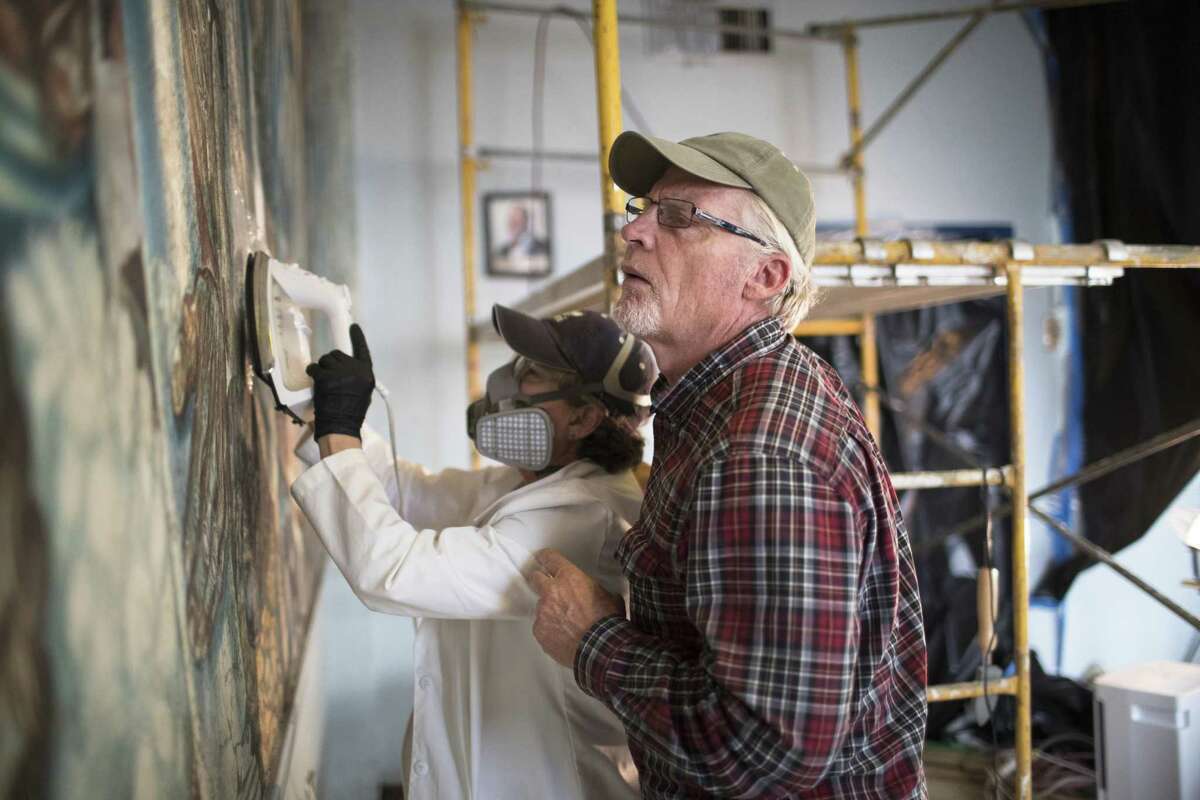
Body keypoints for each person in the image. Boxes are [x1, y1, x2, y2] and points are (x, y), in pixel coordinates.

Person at [529, 131, 929, 798]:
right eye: (644, 208)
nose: (635, 233)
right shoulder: (728, 402)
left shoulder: (759, 452)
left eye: (681, 217)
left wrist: (590, 637)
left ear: (765, 276)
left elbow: (763, 749)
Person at [290, 305, 659, 799]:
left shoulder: (582, 521)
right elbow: (411, 493)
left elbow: (391, 568)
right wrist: (320, 411)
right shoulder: (539, 483)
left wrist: (341, 431)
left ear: (584, 417)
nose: (507, 381)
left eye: (532, 372)